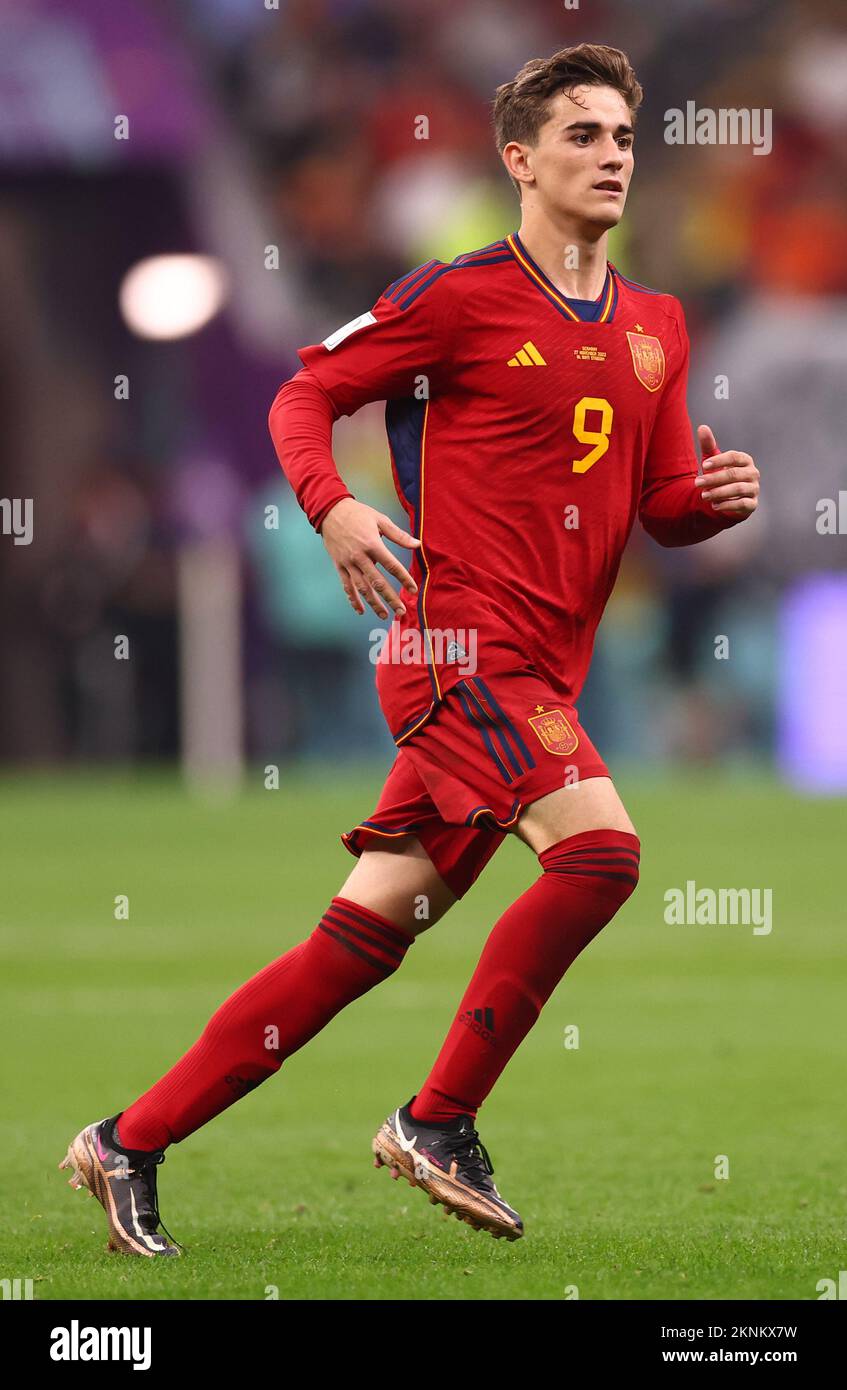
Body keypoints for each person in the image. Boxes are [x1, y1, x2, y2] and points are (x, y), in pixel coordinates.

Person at [59, 43, 759, 1255]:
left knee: (360, 942)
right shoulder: (456, 295)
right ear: (520, 160)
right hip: (457, 648)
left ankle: (126, 1141)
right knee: (599, 858)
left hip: (543, 668)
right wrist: (331, 504)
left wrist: (709, 501)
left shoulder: (655, 325)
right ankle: (437, 1120)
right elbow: (303, 394)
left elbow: (658, 504)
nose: (609, 157)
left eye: (624, 138)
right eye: (582, 136)